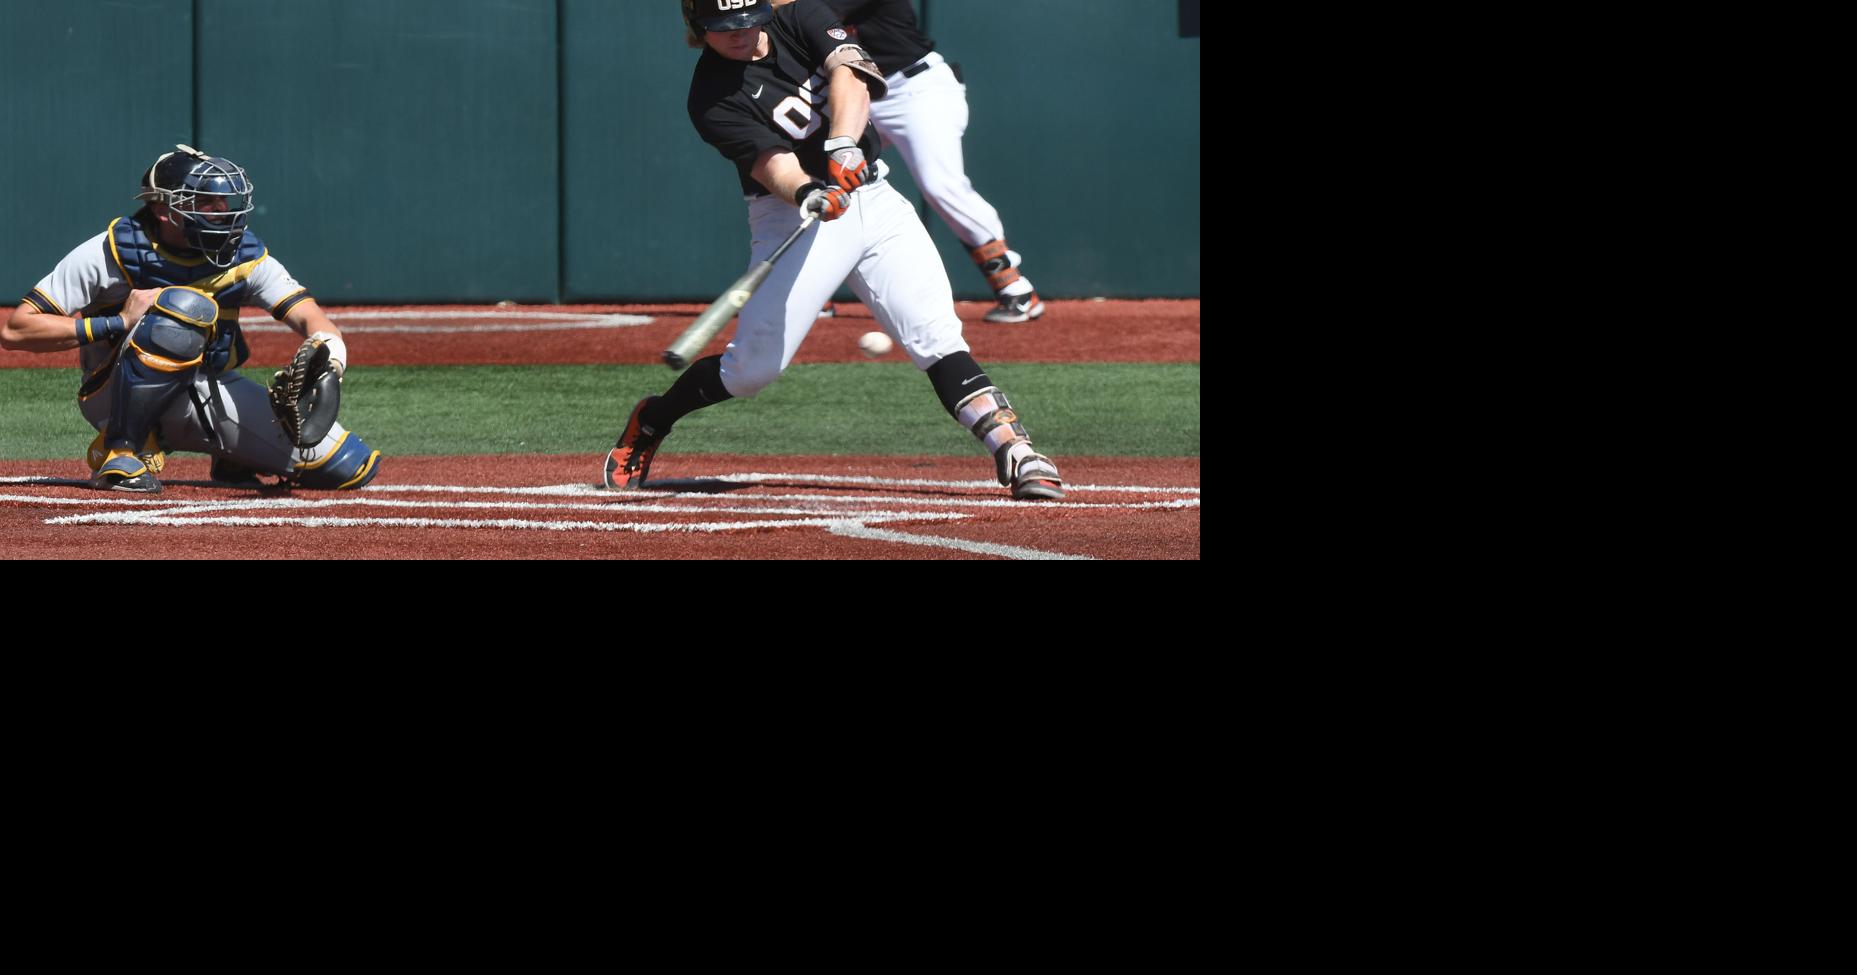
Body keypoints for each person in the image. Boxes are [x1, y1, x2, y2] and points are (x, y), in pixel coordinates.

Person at [602, 0, 1063, 500]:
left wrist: (842, 144)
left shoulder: (800, 17)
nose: (739, 33)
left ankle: (1016, 450)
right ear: (697, 26)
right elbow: (771, 163)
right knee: (752, 371)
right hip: (793, 217)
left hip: (875, 198)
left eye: (747, 20)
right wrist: (805, 191)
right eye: (723, 26)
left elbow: (852, 75)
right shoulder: (710, 97)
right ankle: (654, 419)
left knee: (936, 337)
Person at [1, 145, 381, 493]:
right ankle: (120, 450)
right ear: (164, 210)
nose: (222, 209)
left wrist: (330, 361)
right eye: (206, 201)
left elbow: (315, 321)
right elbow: (16, 329)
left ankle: (233, 455)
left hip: (203, 389)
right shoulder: (112, 251)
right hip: (113, 394)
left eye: (224, 200)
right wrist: (118, 322)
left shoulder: (244, 255)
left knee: (348, 466)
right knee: (182, 307)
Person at [792, 0, 1044, 324]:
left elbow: (809, 10)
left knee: (940, 185)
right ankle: (813, 290)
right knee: (819, 177)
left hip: (914, 90)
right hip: (858, 94)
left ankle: (1013, 286)